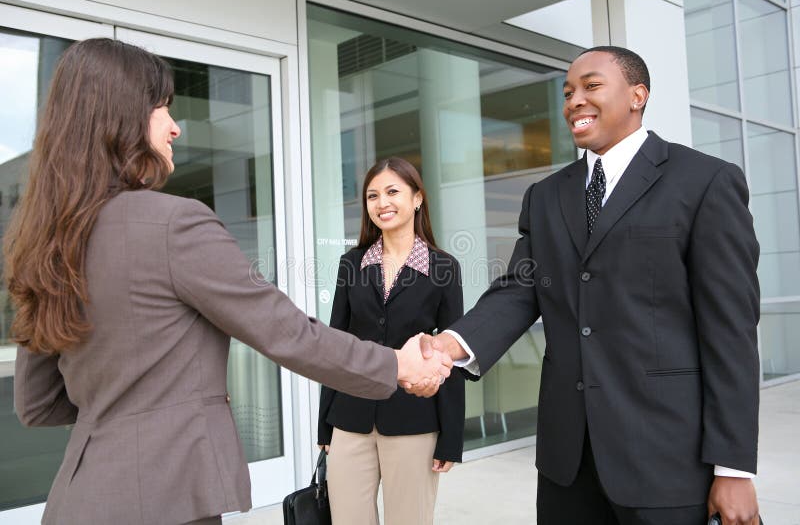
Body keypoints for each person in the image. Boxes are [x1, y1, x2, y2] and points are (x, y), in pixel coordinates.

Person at [4, 38, 449, 525]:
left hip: (78, 499)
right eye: (161, 107)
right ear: (122, 117)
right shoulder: (174, 224)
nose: (174, 126)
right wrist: (397, 364)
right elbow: (287, 332)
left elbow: (37, 404)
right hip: (168, 497)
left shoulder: (49, 238)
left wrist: (123, 410)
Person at [423, 46, 761, 525]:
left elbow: (731, 331)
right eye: (567, 92)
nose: (574, 101)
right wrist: (450, 345)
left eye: (591, 86)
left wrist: (733, 467)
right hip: (568, 464)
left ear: (638, 96)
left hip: (668, 460)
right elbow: (520, 290)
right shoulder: (545, 195)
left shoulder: (704, 181)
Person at [316, 157, 465, 525]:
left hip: (414, 422)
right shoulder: (351, 263)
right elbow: (336, 345)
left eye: (392, 192)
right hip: (350, 419)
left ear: (417, 198)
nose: (382, 203)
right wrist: (324, 424)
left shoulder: (444, 268)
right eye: (372, 195)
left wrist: (451, 438)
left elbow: (452, 354)